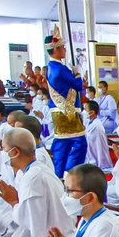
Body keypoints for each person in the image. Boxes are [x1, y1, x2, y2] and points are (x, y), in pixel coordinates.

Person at [44, 30, 88, 175]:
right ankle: (70, 174)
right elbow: (77, 84)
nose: (64, 50)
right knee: (79, 143)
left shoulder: (52, 67)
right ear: (55, 49)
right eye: (62, 48)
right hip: (67, 111)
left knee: (62, 143)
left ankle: (59, 174)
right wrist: (78, 74)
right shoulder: (59, 69)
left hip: (59, 110)